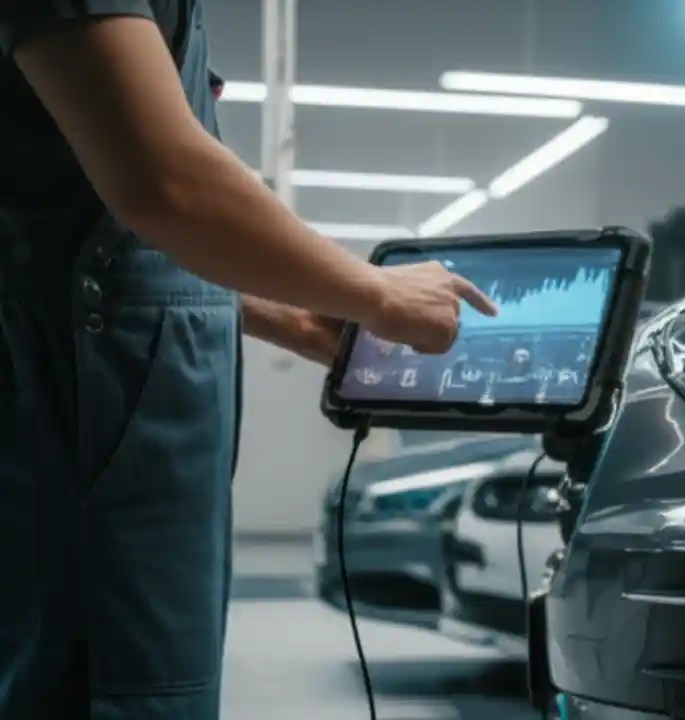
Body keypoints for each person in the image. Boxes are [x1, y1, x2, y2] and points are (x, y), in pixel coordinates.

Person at [0, 2, 496, 719]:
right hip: (88, 445)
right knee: (105, 691)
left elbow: (105, 236)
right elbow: (163, 178)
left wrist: (293, 314)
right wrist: (378, 293)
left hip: (112, 437)